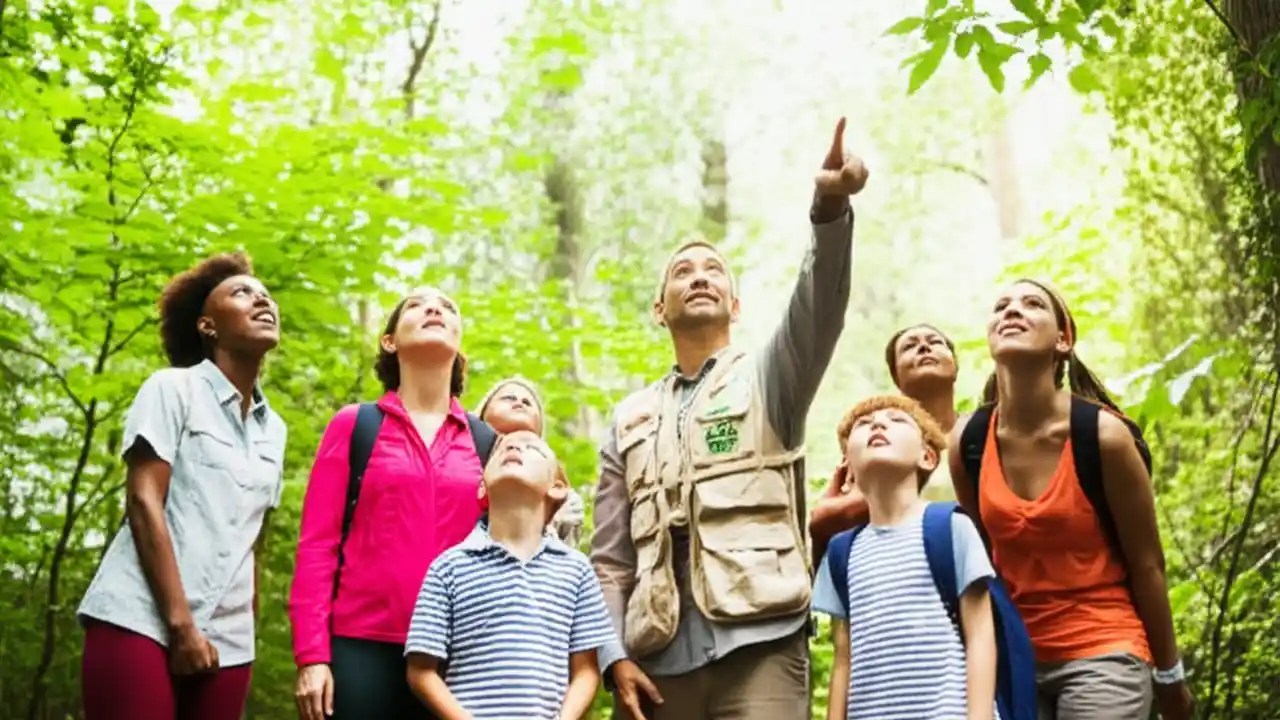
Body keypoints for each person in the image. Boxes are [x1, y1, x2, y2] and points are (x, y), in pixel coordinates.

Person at [591, 117, 867, 720]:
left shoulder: (772, 377)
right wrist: (614, 657)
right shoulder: (629, 418)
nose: (698, 276)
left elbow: (819, 308)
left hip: (762, 641)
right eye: (682, 273)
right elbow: (610, 560)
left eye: (713, 270)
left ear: (735, 305)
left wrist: (829, 208)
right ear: (658, 309)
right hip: (656, 659)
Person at [948, 279, 1194, 720]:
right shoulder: (967, 442)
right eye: (1001, 305)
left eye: (1032, 304)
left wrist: (1169, 675)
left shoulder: (1104, 437)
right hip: (1015, 656)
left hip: (1105, 648)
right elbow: (979, 561)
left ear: (1063, 340)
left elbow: (1147, 564)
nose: (1012, 311)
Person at [78, 252, 286, 720]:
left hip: (229, 639)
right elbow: (144, 499)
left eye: (266, 296)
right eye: (242, 293)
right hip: (139, 615)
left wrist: (245, 624)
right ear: (207, 326)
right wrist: (181, 626)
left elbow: (252, 536)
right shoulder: (173, 389)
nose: (262, 300)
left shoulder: (275, 430)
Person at [289, 288, 494, 720]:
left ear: (460, 346)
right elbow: (316, 546)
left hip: (461, 654)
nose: (435, 308)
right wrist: (312, 657)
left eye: (448, 307)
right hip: (362, 648)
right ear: (389, 341)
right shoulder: (356, 425)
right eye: (418, 305)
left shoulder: (485, 442)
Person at [405, 430, 616, 719]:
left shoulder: (577, 570)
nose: (514, 445)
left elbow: (586, 670)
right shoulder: (448, 567)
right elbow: (421, 671)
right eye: (502, 448)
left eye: (533, 448)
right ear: (482, 487)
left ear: (557, 488)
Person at [812, 395, 997, 719]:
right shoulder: (842, 553)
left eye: (897, 421)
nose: (878, 424)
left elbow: (981, 635)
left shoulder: (951, 527)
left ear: (927, 457)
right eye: (863, 425)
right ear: (848, 466)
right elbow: (844, 658)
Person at [809, 323, 959, 566]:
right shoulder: (877, 444)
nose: (924, 347)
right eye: (910, 346)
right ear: (895, 375)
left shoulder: (979, 431)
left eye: (935, 342)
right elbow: (838, 517)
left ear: (954, 365)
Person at [476, 376, 586, 545]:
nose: (519, 402)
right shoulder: (460, 461)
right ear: (482, 413)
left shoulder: (561, 493)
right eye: (508, 398)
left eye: (528, 402)